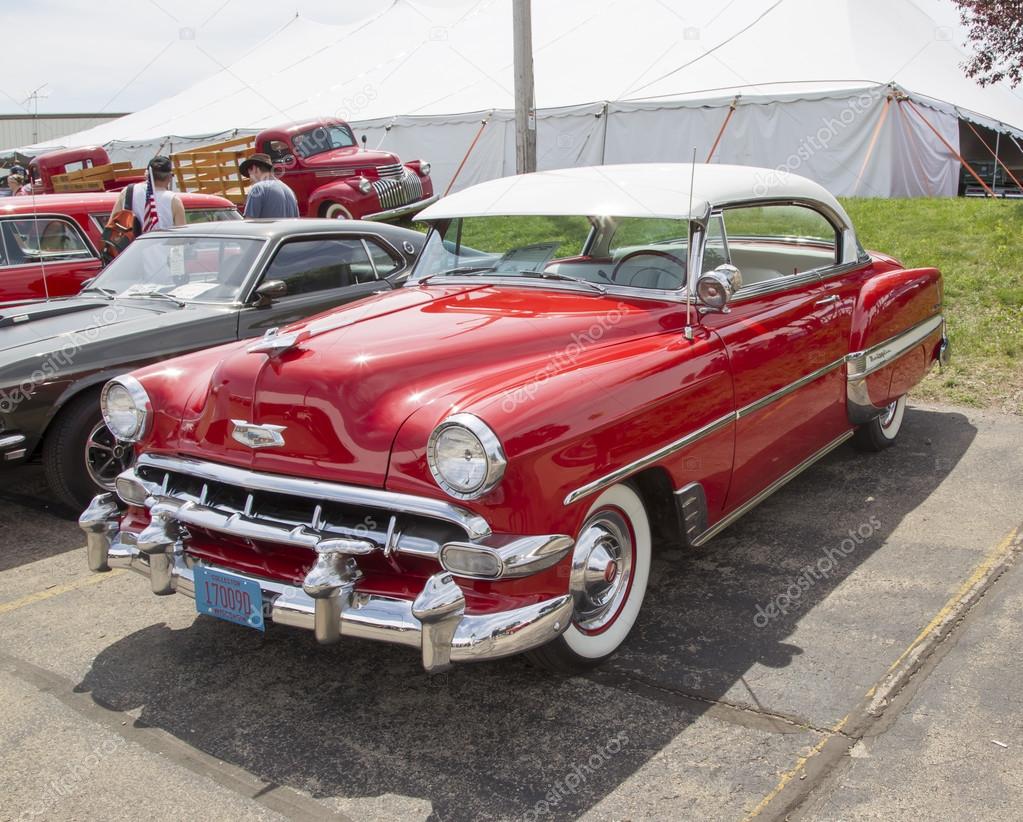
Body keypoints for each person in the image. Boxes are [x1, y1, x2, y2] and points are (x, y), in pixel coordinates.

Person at [109, 155, 185, 232]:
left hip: (133, 243)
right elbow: (182, 236)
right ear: (169, 177)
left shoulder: (127, 192)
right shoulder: (174, 200)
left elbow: (112, 224)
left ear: (146, 174)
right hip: (162, 243)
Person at [240, 153, 299, 218]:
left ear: (255, 168)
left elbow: (249, 223)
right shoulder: (289, 190)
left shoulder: (258, 188)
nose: (250, 179)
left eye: (249, 174)